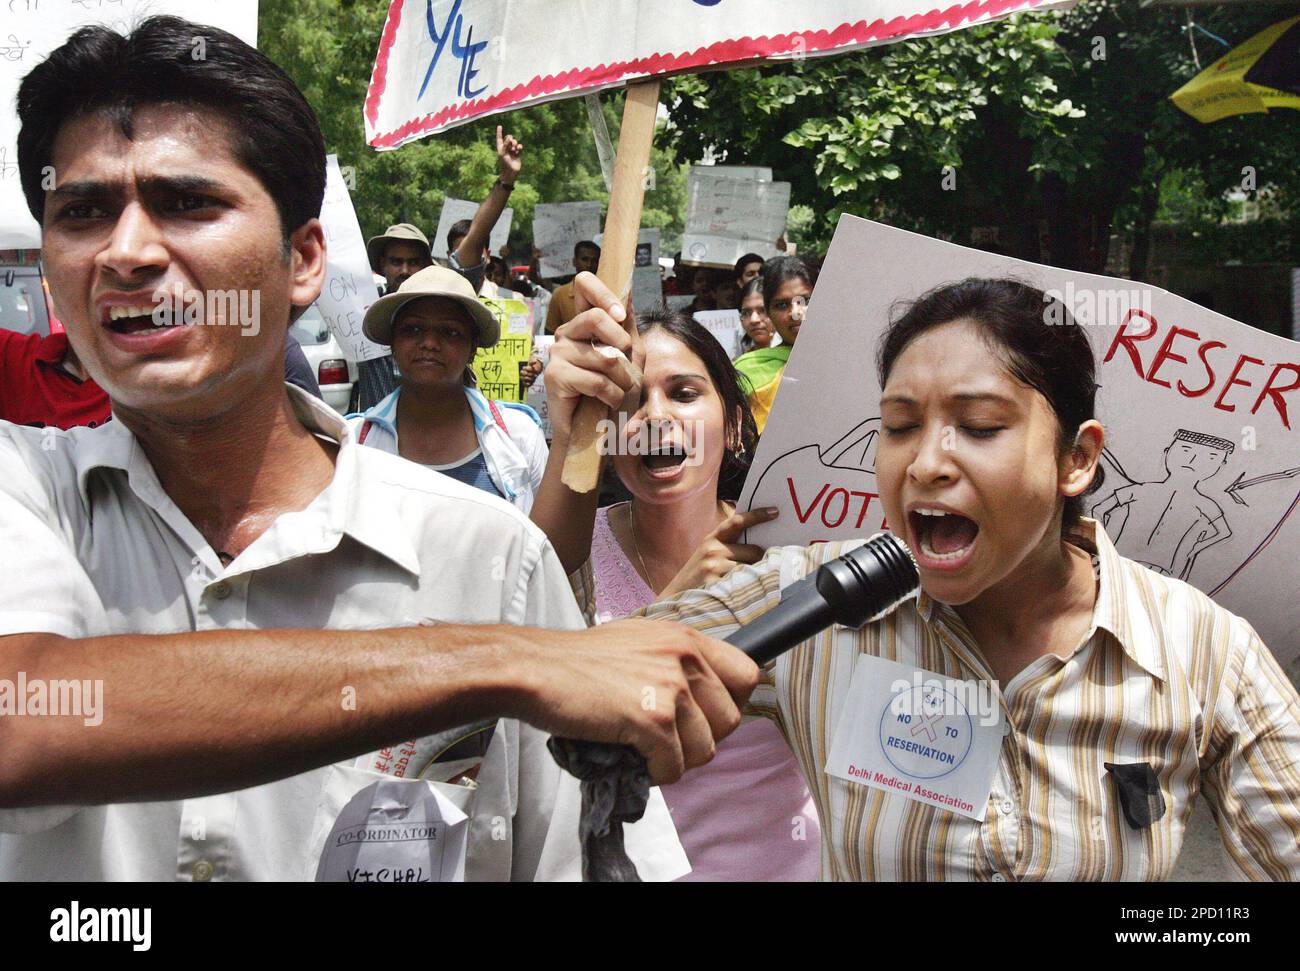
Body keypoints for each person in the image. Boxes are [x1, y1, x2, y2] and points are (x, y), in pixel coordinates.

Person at [1, 15, 757, 881]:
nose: (127, 253)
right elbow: (23, 722)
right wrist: (505, 659)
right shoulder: (20, 494)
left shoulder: (495, 559)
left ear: (303, 261)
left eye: (188, 203)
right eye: (84, 211)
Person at [579, 274, 1296, 881]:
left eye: (980, 426)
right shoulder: (813, 600)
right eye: (898, 426)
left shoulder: (1201, 648)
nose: (926, 464)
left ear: (1076, 459)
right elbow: (570, 679)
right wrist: (572, 430)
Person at [529, 285, 822, 882]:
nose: (655, 417)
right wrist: (680, 609)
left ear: (734, 422)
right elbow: (538, 700)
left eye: (684, 394)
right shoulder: (574, 552)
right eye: (630, 400)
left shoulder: (797, 552)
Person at [349, 266, 547, 512]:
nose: (430, 343)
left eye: (450, 332)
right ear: (393, 342)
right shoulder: (354, 441)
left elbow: (549, 544)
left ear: (473, 347)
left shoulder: (520, 436)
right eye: (413, 329)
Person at [733, 255, 813, 434]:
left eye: (805, 301)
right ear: (768, 312)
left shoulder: (855, 360)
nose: (795, 313)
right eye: (782, 305)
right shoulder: (747, 371)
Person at [543, 240, 600, 333]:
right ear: (574, 261)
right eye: (584, 259)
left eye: (594, 261)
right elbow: (550, 333)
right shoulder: (560, 294)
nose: (589, 265)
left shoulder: (609, 293)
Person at [736, 277, 777, 356]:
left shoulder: (795, 354)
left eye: (762, 310)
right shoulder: (740, 364)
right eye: (746, 313)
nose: (754, 320)